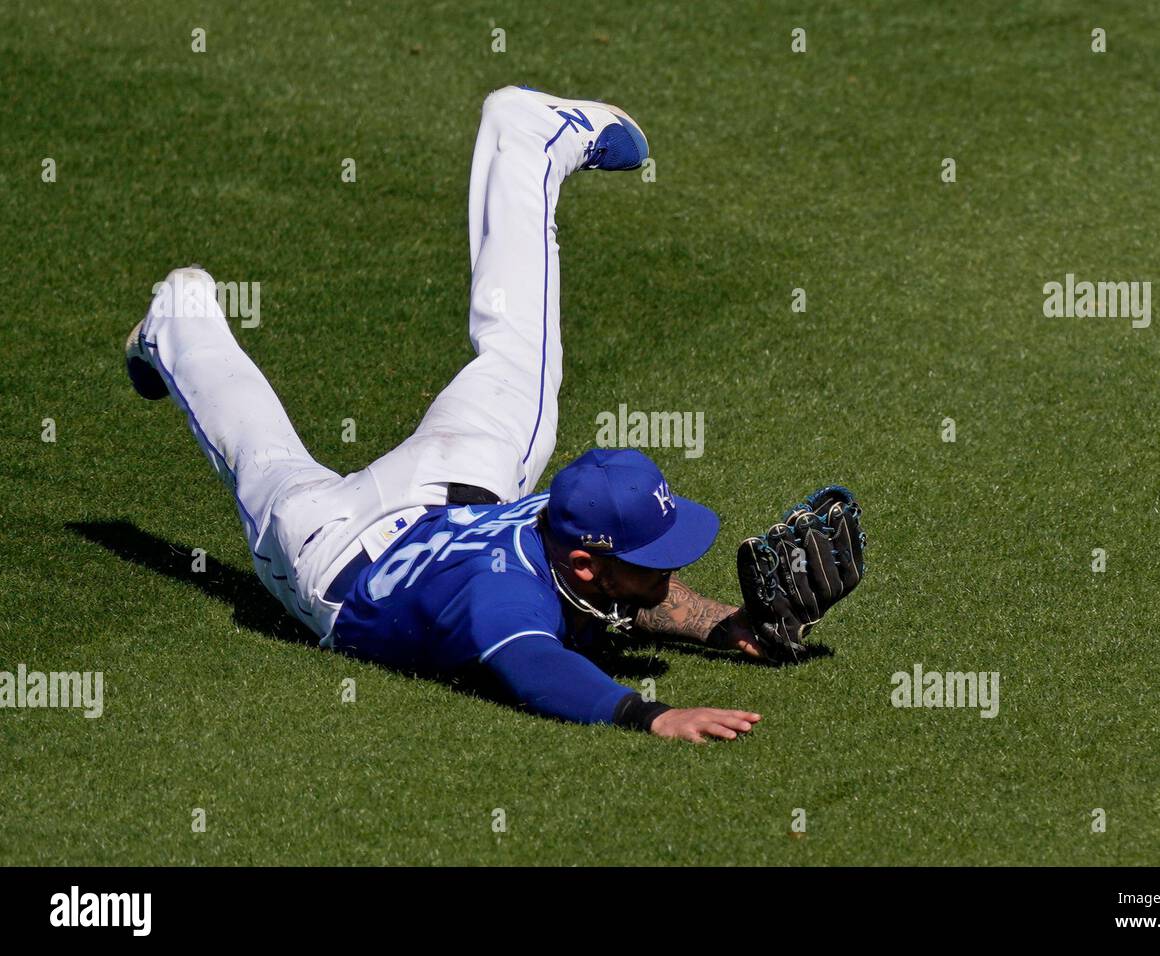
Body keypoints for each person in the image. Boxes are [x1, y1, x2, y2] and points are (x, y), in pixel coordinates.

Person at [123, 86, 764, 742]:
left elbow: (631, 590)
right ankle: (180, 319)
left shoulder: (565, 527)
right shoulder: (504, 598)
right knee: (263, 455)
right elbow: (537, 668)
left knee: (519, 367)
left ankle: (523, 143)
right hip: (332, 554)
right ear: (582, 564)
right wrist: (649, 714)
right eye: (652, 557)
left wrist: (726, 622)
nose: (666, 568)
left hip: (451, 497)